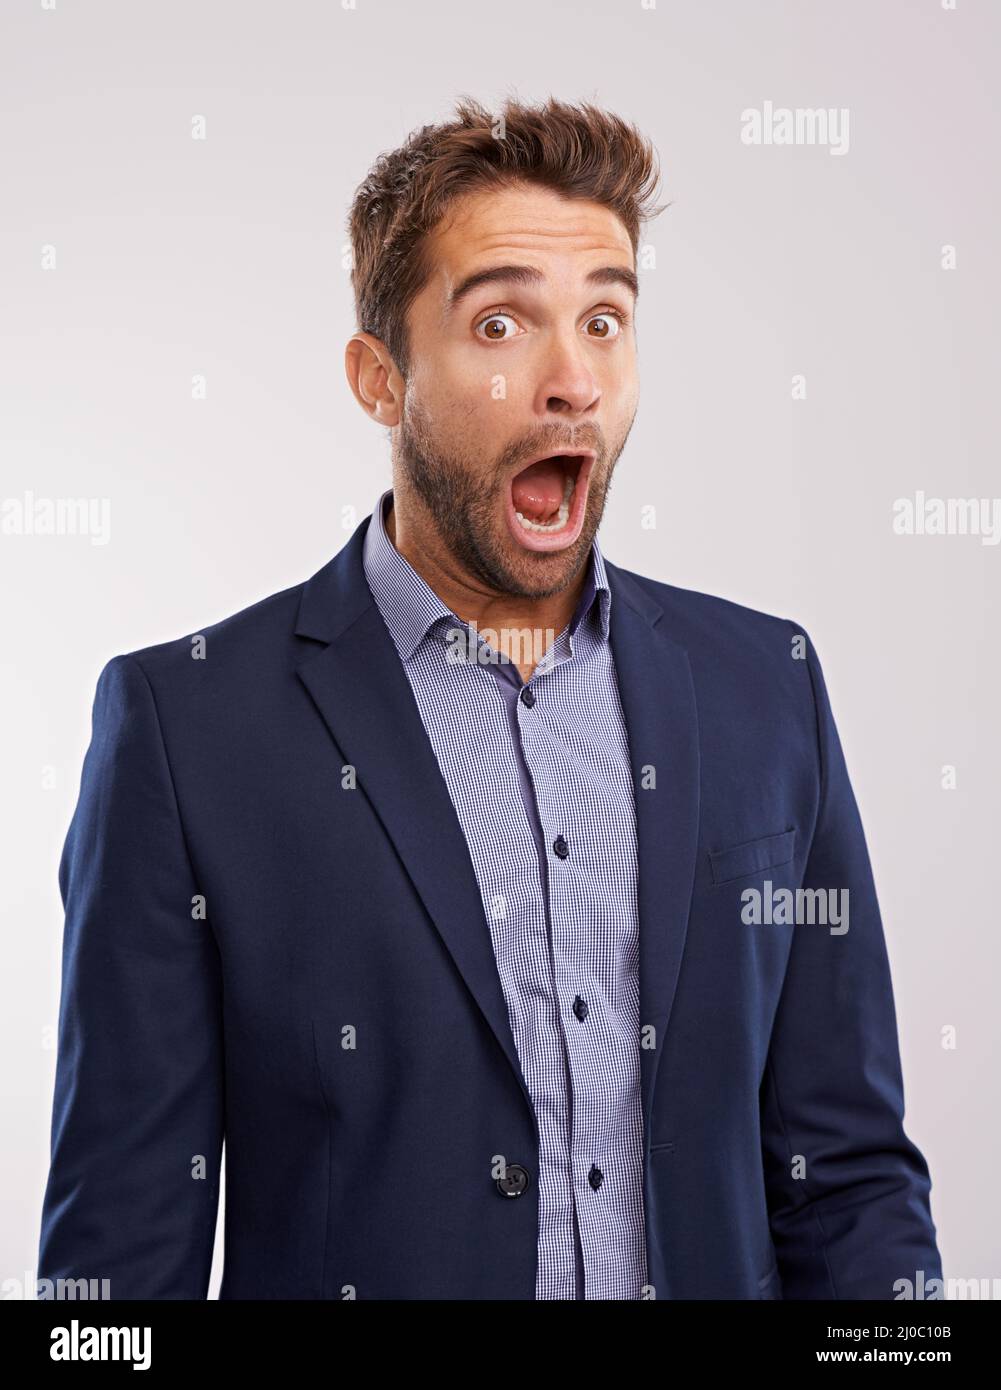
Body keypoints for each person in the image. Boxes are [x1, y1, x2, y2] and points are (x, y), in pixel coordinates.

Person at [38, 96, 941, 1300]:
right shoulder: (186, 728)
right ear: (378, 378)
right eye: (503, 322)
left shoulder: (761, 687)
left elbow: (849, 1180)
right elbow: (119, 1256)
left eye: (605, 320)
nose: (570, 380)